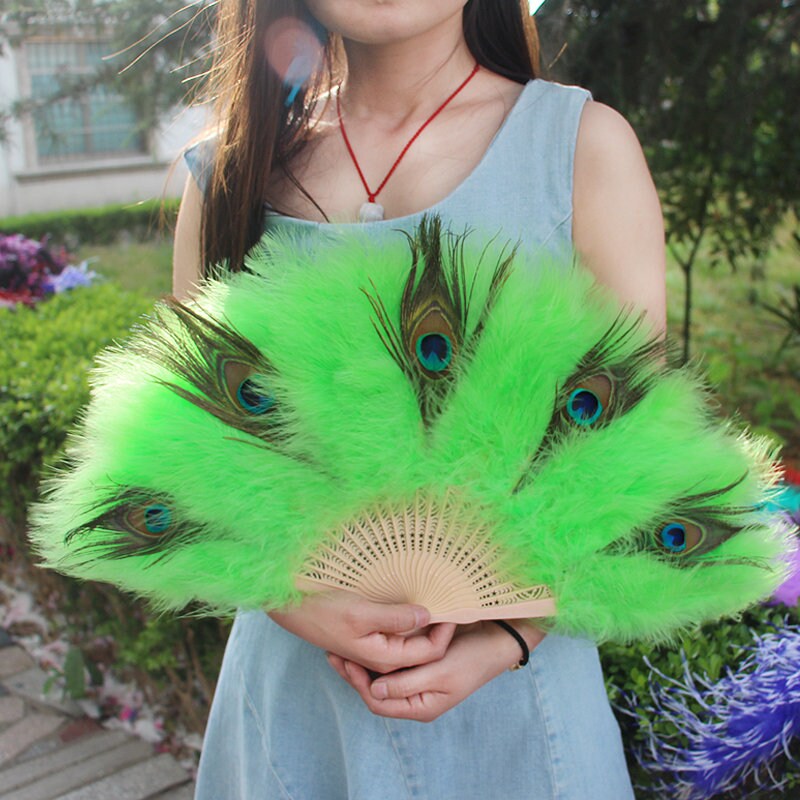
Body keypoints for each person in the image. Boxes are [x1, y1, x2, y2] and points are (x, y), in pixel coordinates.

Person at [173, 1, 665, 797]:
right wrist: (287, 594)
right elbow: (195, 458)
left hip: (520, 719)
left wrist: (510, 630)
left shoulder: (579, 148)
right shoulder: (227, 173)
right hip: (296, 716)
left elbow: (631, 453)